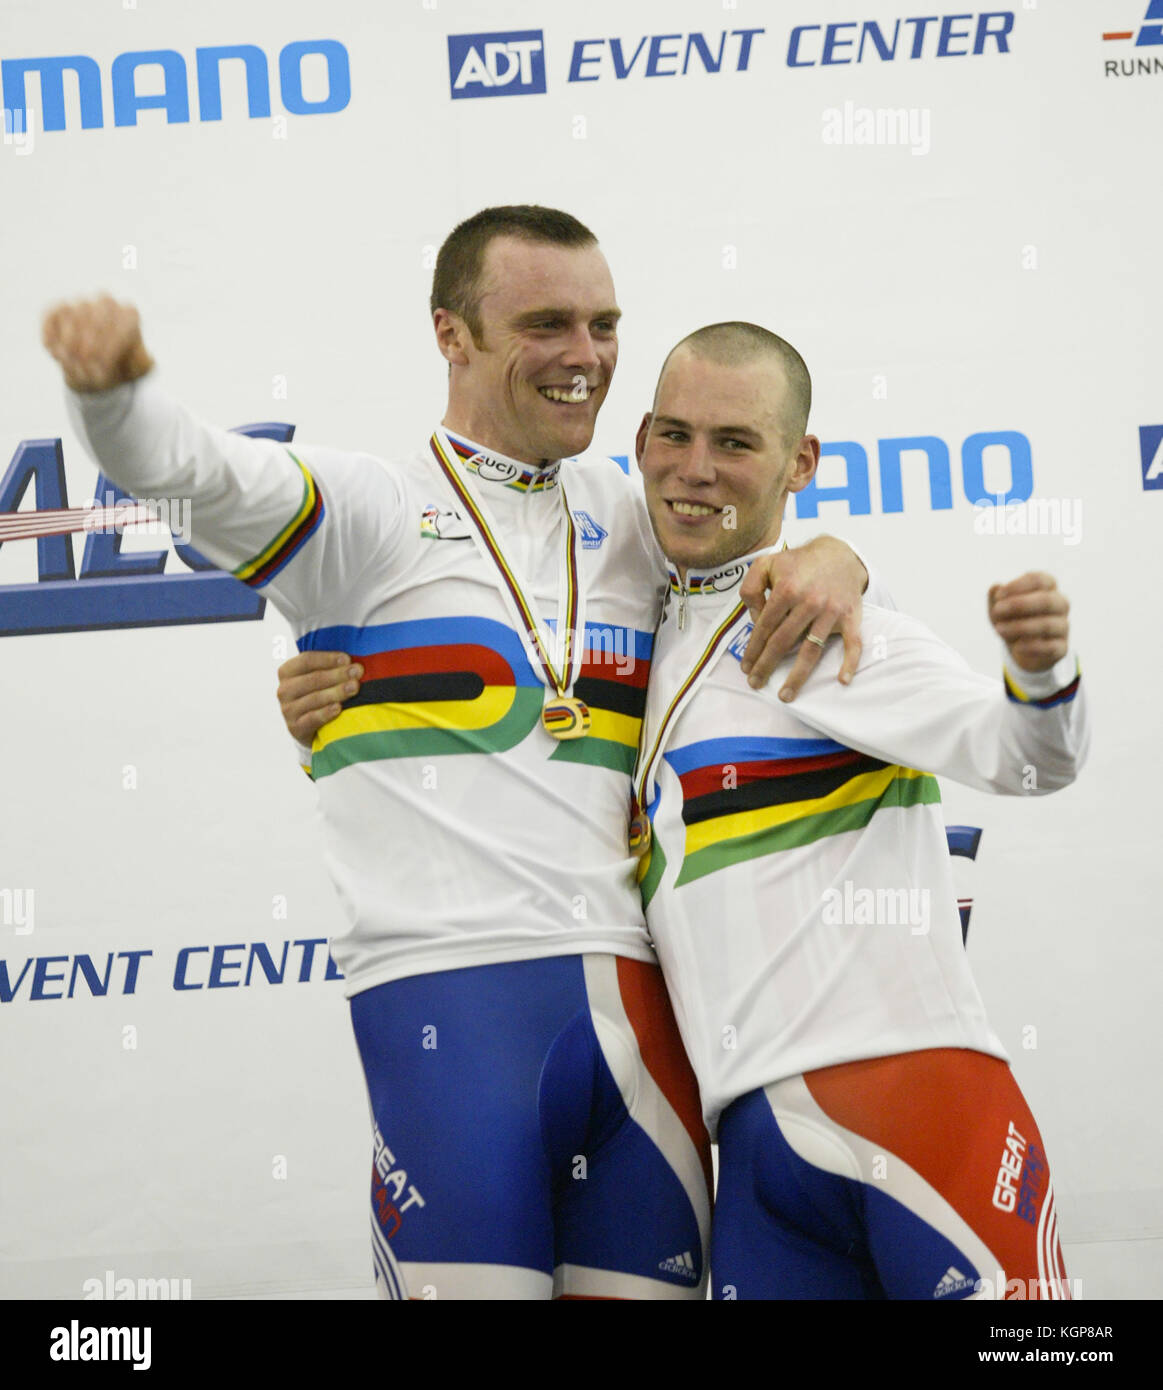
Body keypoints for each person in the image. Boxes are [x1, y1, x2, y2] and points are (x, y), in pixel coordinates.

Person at [41, 207, 871, 1301]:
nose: (585, 358)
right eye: (544, 324)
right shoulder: (371, 513)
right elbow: (198, 475)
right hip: (451, 1021)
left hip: (641, 1028)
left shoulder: (636, 518)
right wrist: (114, 399)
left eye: (602, 323)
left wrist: (837, 553)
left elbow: (763, 545)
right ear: (451, 334)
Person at [621, 320, 1088, 1300]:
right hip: (752, 1156)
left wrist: (1040, 675)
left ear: (799, 462)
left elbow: (1024, 760)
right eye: (674, 434)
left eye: (735, 443)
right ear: (639, 439)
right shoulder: (642, 646)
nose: (694, 469)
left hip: (914, 1100)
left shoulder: (826, 626)